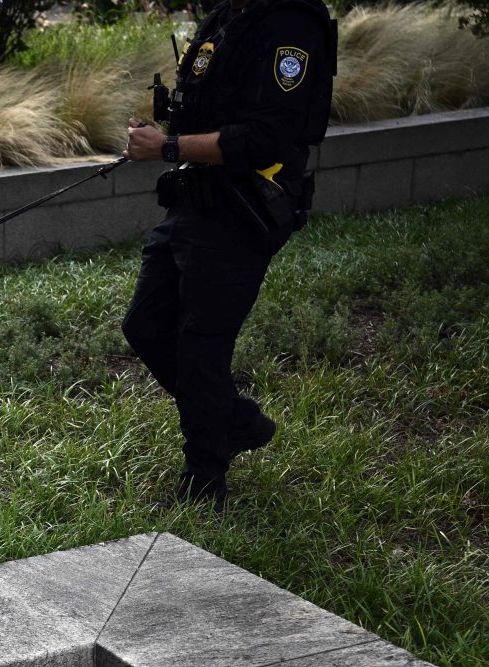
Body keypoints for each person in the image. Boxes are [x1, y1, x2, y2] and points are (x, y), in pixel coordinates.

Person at [121, 0, 336, 509]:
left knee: (201, 350)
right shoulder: (228, 15)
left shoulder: (290, 25)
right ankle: (234, 421)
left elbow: (266, 139)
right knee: (145, 326)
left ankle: (204, 484)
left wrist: (168, 148)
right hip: (194, 202)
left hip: (242, 213)